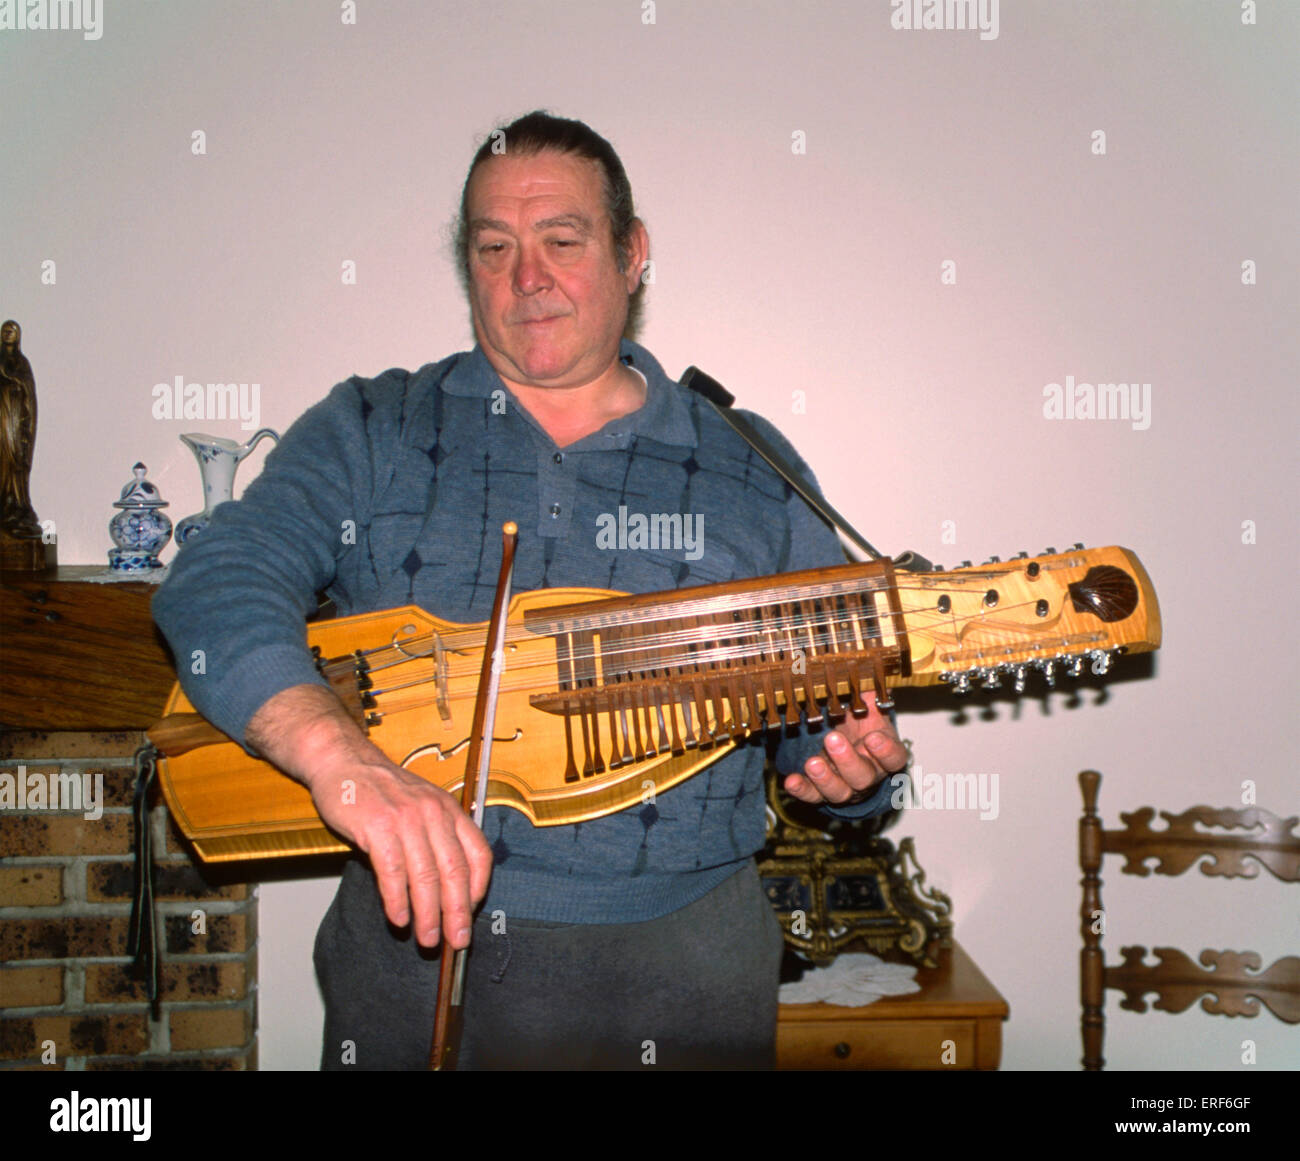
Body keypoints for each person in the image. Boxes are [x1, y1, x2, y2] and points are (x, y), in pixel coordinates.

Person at [152, 111, 910, 1070]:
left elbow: (819, 718)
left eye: (562, 240)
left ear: (633, 254)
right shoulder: (375, 424)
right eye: (493, 247)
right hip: (415, 955)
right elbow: (216, 577)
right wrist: (343, 762)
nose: (527, 278)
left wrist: (848, 771)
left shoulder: (749, 460)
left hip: (688, 971)